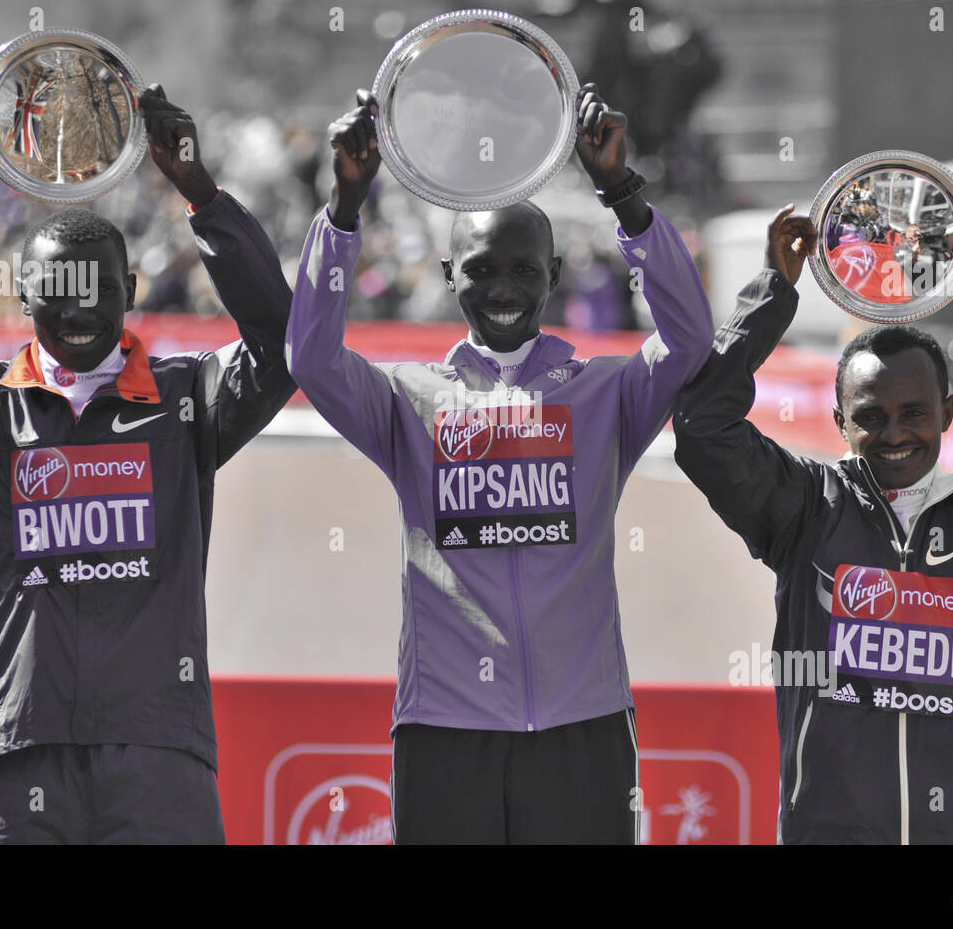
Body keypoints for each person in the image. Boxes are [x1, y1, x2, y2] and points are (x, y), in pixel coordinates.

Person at [0, 71, 298, 843]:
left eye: (99, 290)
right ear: (25, 295)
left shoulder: (186, 403)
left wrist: (198, 187)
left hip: (160, 758)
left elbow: (286, 349)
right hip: (22, 756)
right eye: (59, 290)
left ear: (132, 287)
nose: (79, 309)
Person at [286, 85, 713, 844]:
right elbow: (312, 358)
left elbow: (687, 341)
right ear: (451, 275)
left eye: (524, 269)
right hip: (446, 730)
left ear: (553, 272)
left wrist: (621, 190)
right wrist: (344, 211)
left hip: (584, 728)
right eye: (482, 271)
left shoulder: (604, 393)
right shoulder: (409, 401)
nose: (504, 289)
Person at [672, 189, 953, 844]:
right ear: (840, 423)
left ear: (948, 414)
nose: (895, 433)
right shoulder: (804, 510)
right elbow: (699, 428)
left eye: (914, 412)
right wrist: (775, 291)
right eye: (871, 416)